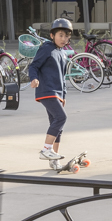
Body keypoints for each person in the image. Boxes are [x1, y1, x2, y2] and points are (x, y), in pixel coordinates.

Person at [29, 18, 72, 161]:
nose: (64, 39)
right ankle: (46, 150)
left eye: (66, 36)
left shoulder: (63, 53)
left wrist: (64, 95)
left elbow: (63, 76)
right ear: (52, 35)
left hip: (57, 93)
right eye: (60, 35)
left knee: (57, 125)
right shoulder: (47, 48)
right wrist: (33, 79)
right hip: (47, 90)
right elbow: (34, 65)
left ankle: (54, 159)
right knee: (61, 117)